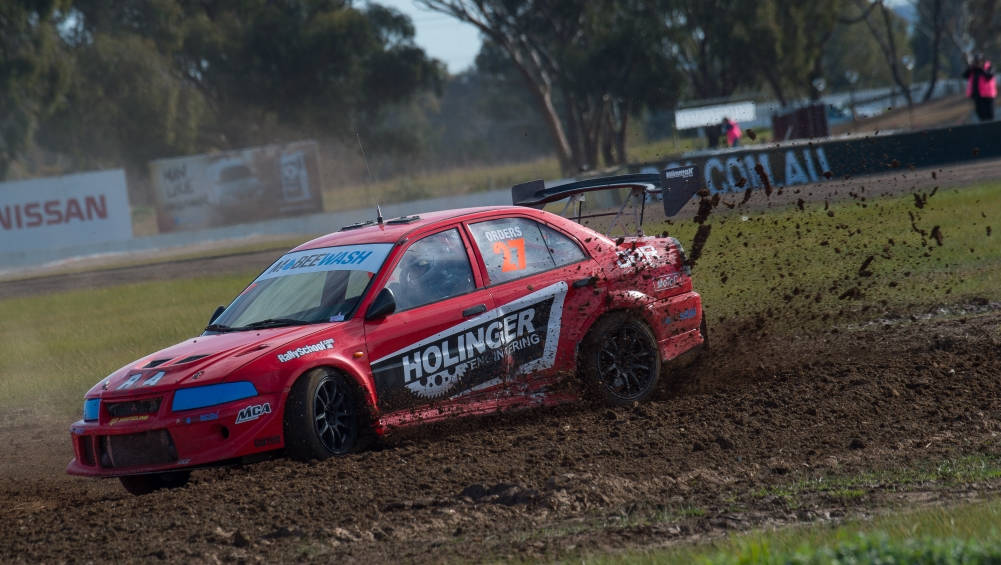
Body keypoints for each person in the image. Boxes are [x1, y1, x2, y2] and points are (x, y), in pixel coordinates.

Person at [963, 53, 997, 122]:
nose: (978, 63)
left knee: (990, 115)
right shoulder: (973, 69)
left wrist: (981, 69)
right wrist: (970, 66)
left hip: (988, 96)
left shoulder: (989, 67)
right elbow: (965, 75)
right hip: (977, 96)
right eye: (976, 62)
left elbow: (989, 76)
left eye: (979, 61)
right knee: (981, 116)